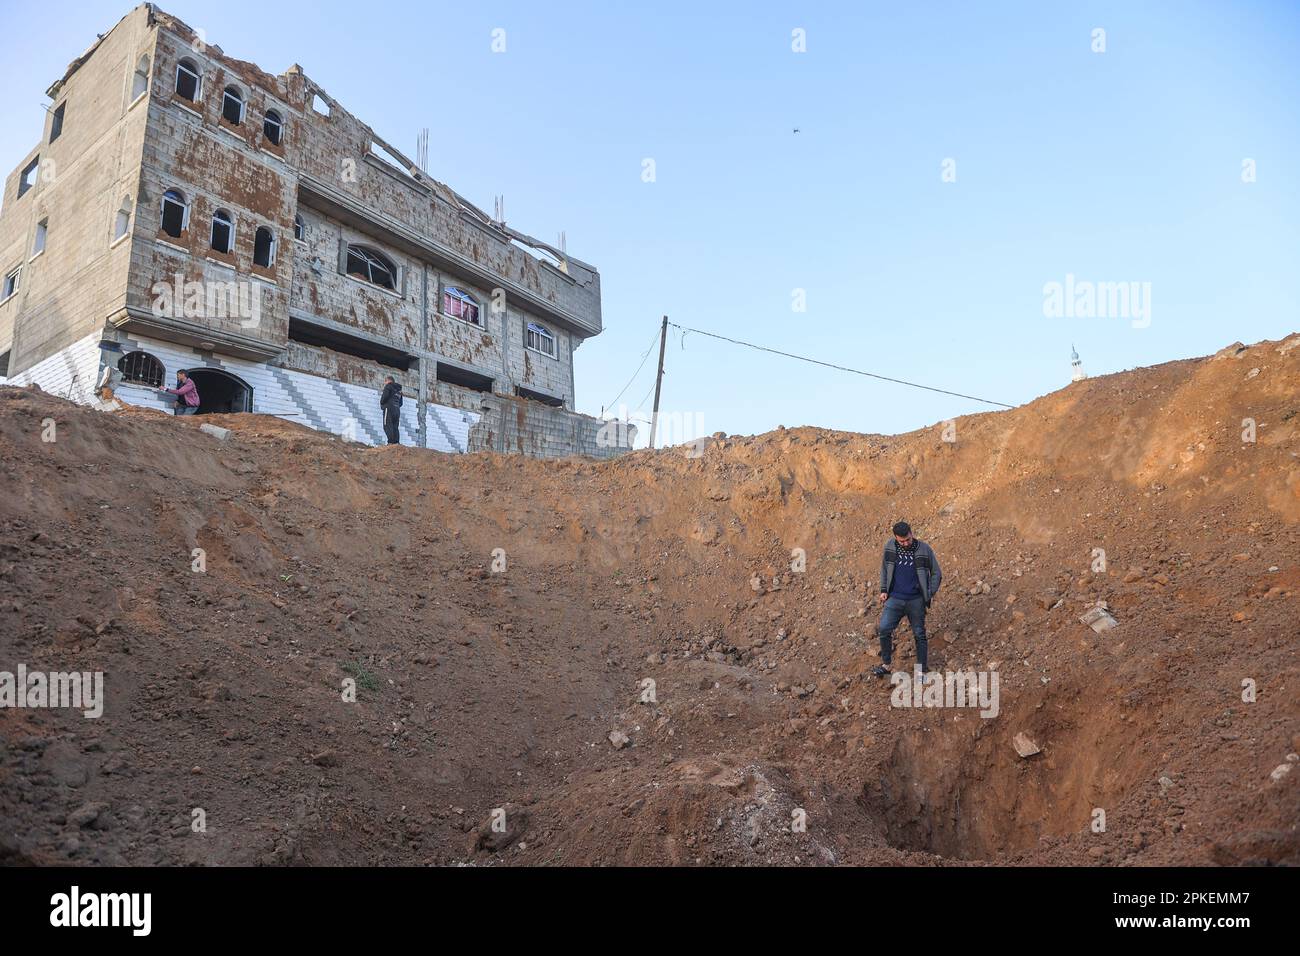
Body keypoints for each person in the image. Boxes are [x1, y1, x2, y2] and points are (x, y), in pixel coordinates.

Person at [871, 521, 942, 677]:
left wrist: (928, 593)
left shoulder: (924, 549)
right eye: (901, 541)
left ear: (911, 533)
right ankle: (887, 665)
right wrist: (884, 590)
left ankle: (921, 670)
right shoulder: (890, 546)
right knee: (884, 629)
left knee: (919, 634)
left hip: (916, 600)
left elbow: (936, 573)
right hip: (894, 599)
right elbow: (884, 569)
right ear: (895, 538)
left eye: (908, 539)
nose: (905, 543)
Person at [379, 375, 402, 445]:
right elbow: (401, 403)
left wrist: (382, 403)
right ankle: (396, 442)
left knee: (387, 425)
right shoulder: (399, 390)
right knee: (395, 426)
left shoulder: (388, 386)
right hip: (397, 410)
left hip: (388, 408)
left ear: (388, 381)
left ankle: (390, 442)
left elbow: (384, 398)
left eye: (385, 382)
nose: (385, 383)